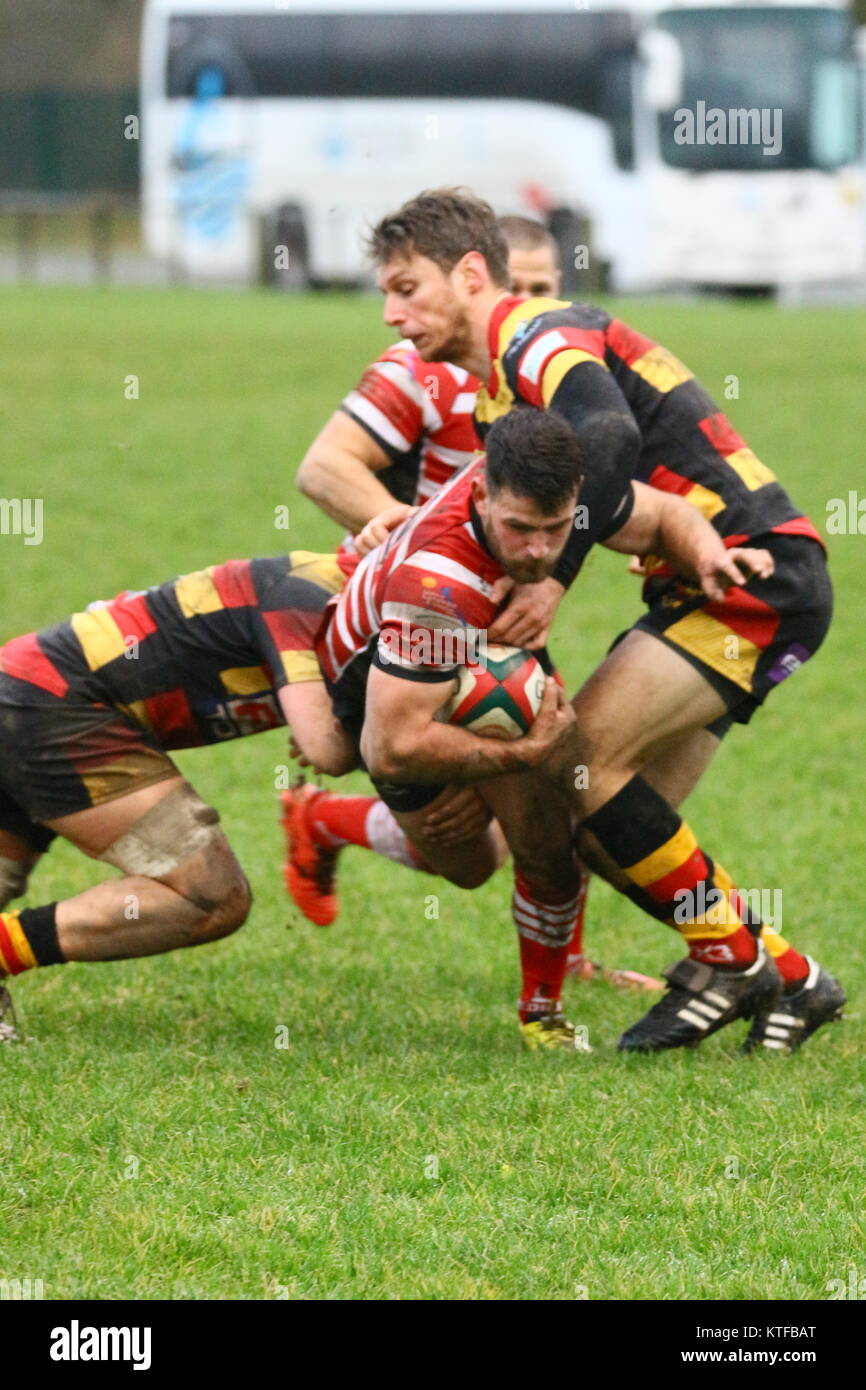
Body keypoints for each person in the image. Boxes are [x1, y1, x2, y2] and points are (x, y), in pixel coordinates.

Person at [362, 187, 845, 1054]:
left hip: (749, 577)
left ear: (471, 274)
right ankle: (793, 977)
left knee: (582, 766)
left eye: (407, 288)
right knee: (605, 825)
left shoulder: (535, 336)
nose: (392, 315)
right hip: (712, 586)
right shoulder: (498, 390)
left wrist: (555, 582)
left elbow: (609, 434)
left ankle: (733, 962)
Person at [314, 408, 780, 1049]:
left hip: (475, 664)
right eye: (519, 530)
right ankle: (324, 819)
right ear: (479, 493)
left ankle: (542, 1016)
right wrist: (524, 754)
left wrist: (708, 557)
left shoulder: (563, 503)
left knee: (548, 848)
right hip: (381, 701)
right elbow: (393, 748)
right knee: (470, 861)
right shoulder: (438, 588)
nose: (537, 550)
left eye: (555, 530)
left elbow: (670, 514)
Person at [289, 215, 659, 991]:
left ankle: (566, 967)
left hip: (507, 616)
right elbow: (324, 467)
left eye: (542, 290)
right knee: (462, 845)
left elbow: (621, 485)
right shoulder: (419, 368)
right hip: (427, 613)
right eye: (513, 289)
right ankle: (324, 816)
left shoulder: (564, 371)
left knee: (561, 783)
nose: (526, 309)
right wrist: (396, 533)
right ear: (476, 281)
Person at [0, 553, 356, 1040]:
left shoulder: (386, 589)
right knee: (208, 896)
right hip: (54, 703)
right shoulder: (316, 599)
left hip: (28, 686)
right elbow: (325, 749)